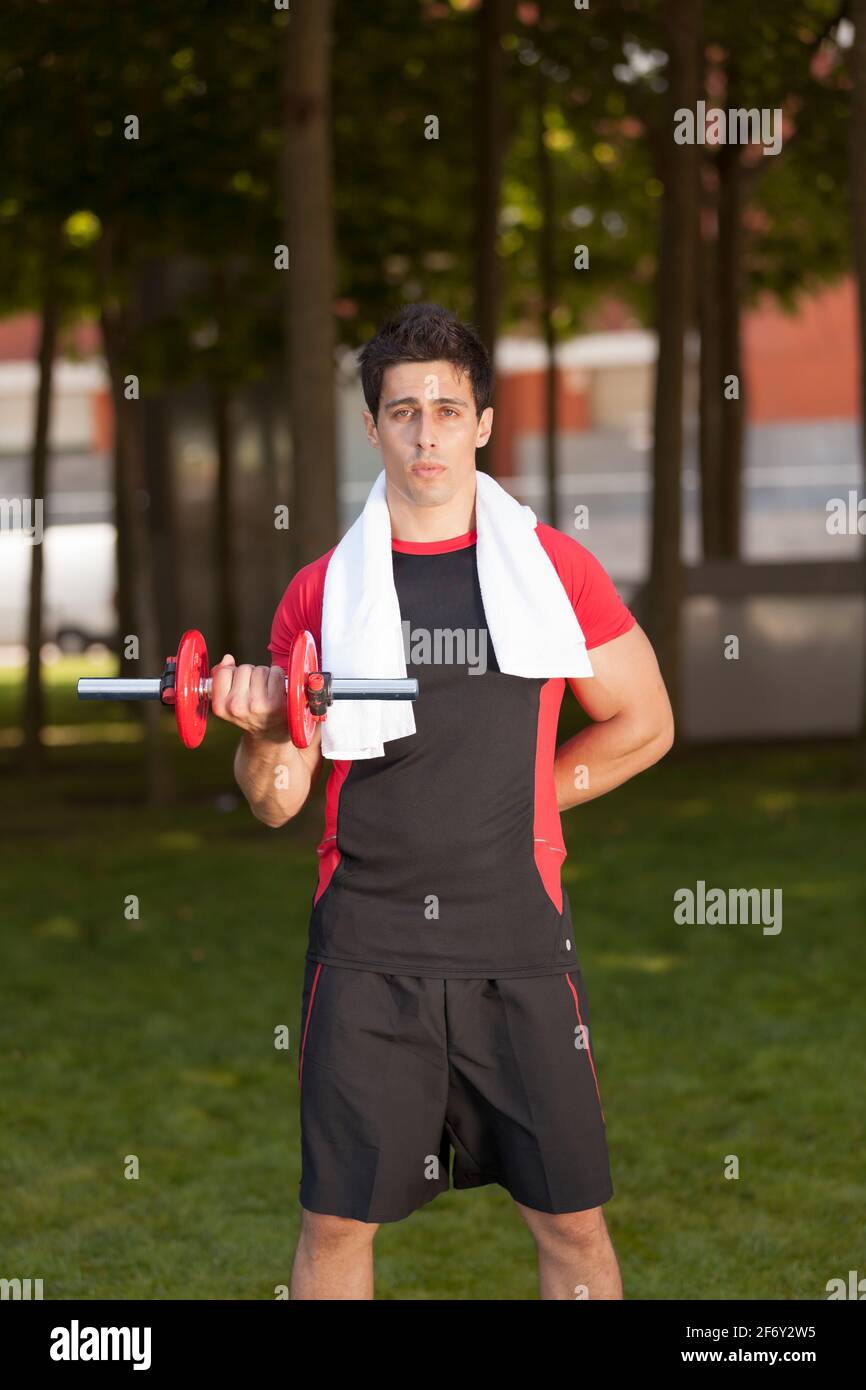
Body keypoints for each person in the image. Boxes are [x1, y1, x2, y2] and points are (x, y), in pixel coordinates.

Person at [215, 303, 674, 1300]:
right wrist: (260, 731)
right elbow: (276, 801)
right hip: (366, 949)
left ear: (481, 423)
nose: (425, 432)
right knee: (334, 1228)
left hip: (517, 939)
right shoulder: (321, 593)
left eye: (445, 408)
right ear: (373, 427)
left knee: (571, 1228)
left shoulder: (552, 570)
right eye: (401, 411)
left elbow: (643, 721)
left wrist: (529, 803)